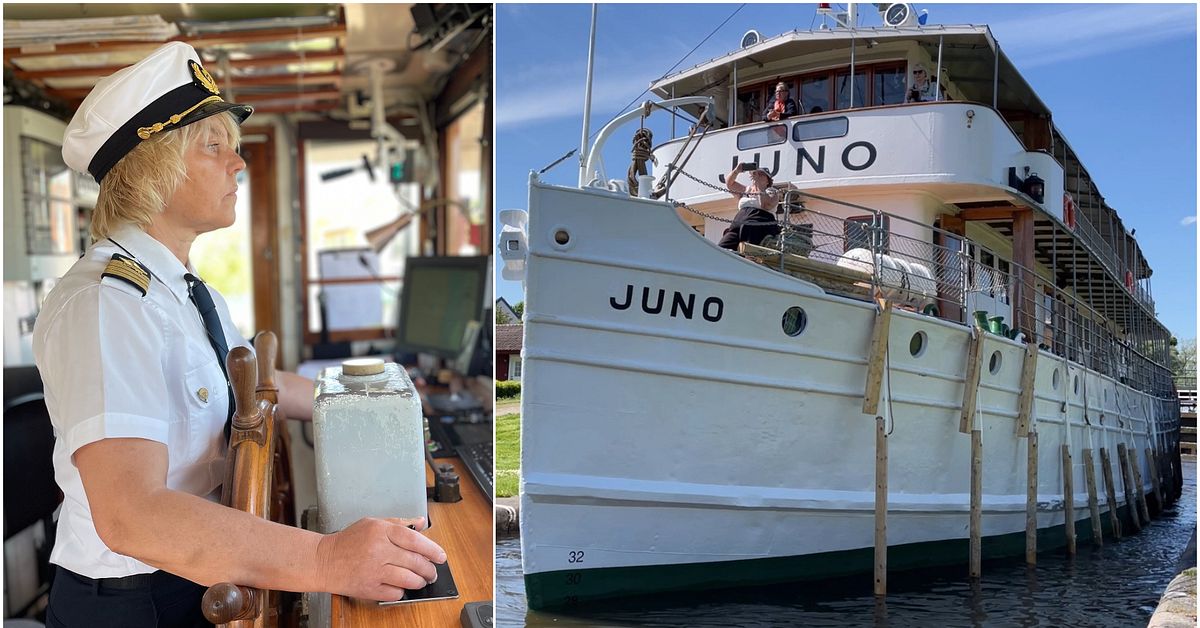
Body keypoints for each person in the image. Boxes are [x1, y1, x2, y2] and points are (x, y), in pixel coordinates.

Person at [35, 42, 445, 627]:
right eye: (213, 145)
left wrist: (381, 403)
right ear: (155, 167)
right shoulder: (107, 304)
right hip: (140, 600)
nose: (239, 163)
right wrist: (329, 558)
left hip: (200, 568)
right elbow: (132, 516)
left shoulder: (183, 291)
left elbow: (256, 383)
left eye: (235, 146)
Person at [718, 165, 781, 250]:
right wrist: (736, 171)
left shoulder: (772, 192)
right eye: (756, 173)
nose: (757, 176)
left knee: (748, 252)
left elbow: (766, 205)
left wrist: (760, 187)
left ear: (767, 180)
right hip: (738, 224)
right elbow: (730, 184)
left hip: (757, 226)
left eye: (761, 174)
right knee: (722, 248)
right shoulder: (746, 190)